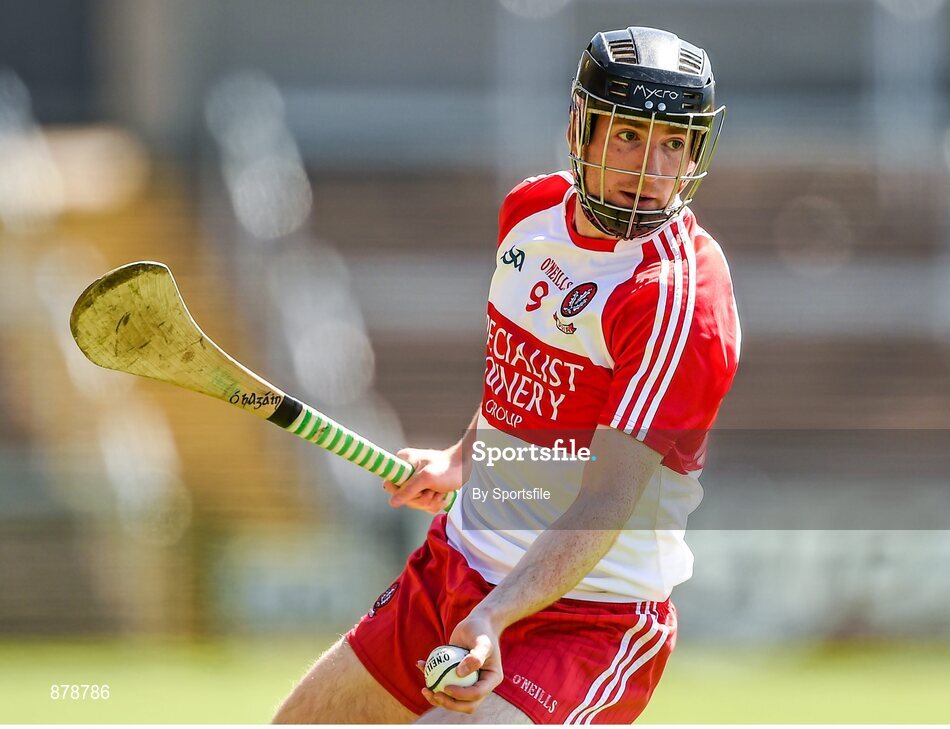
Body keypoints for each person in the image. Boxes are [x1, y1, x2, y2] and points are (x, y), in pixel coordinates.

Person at [273, 25, 740, 725]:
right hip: (454, 569)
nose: (651, 169)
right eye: (628, 136)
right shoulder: (530, 213)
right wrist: (461, 459)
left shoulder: (677, 296)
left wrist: (497, 614)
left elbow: (607, 499)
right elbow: (517, 374)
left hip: (584, 620)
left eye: (674, 142)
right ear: (579, 130)